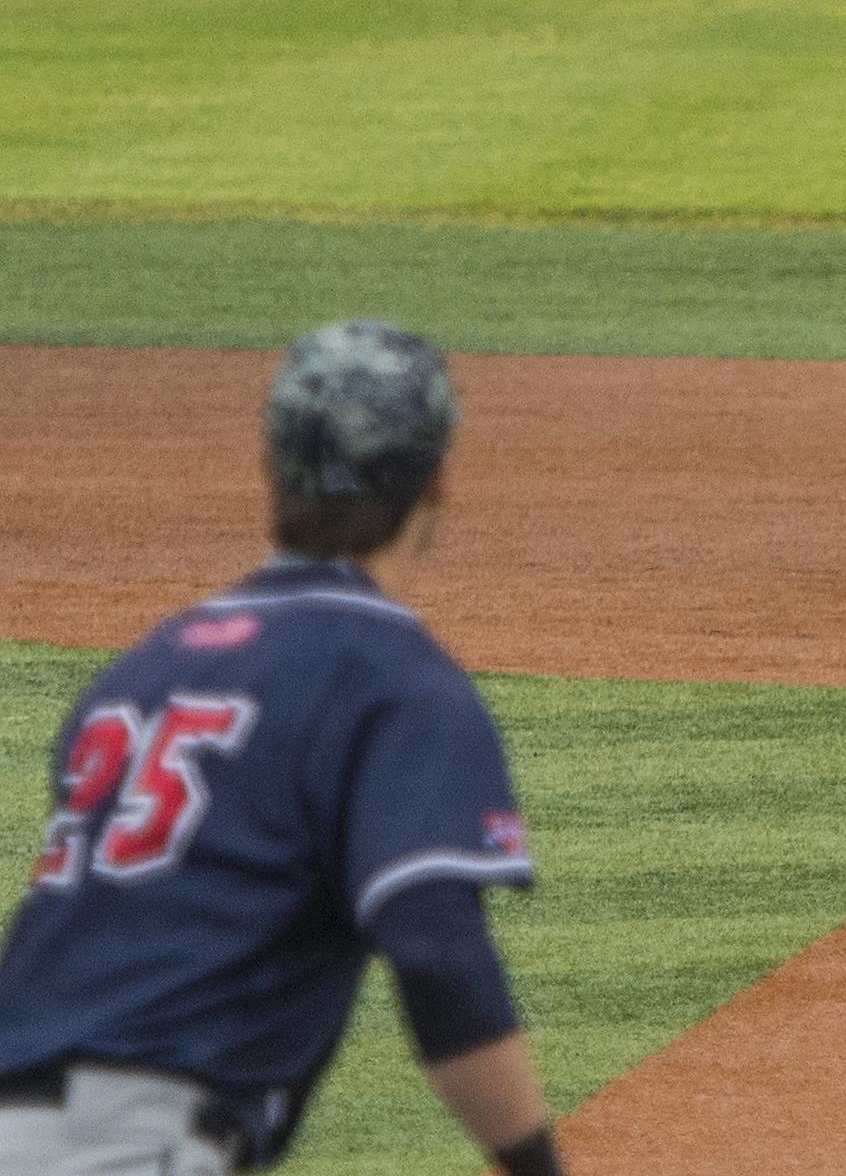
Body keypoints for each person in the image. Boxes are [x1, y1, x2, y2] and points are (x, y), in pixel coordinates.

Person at [0, 321, 567, 1172]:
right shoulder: (392, 675)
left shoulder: (144, 669)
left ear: (273, 469)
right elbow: (435, 948)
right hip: (130, 1145)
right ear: (437, 480)